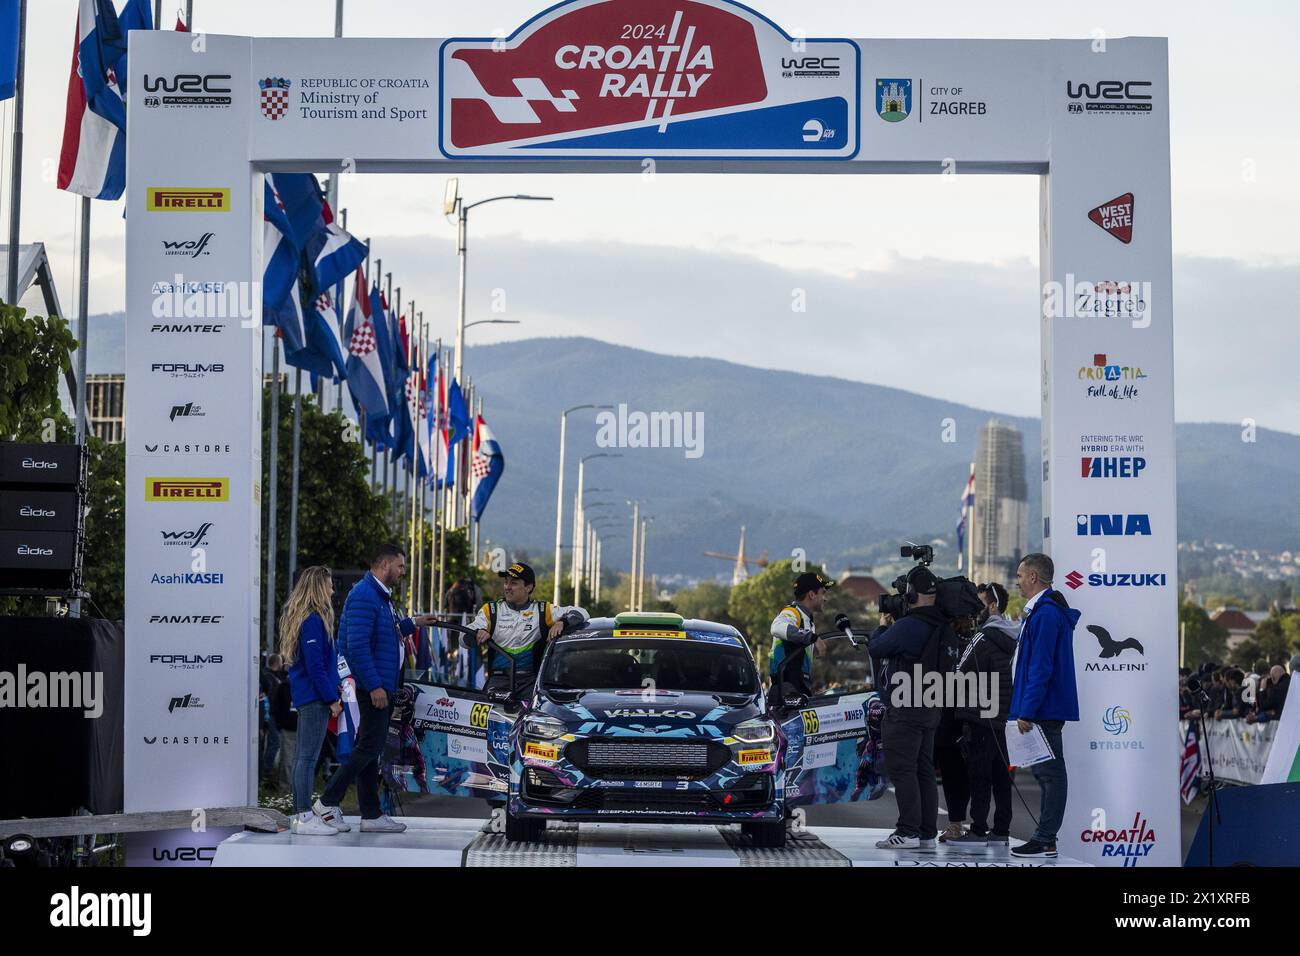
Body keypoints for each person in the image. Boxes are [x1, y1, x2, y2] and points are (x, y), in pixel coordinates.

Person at [311, 545, 437, 834]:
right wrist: (375, 686)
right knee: (369, 746)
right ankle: (328, 801)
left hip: (379, 685)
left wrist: (413, 623)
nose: (403, 571)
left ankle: (370, 813)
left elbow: (385, 633)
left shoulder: (381, 598)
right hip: (373, 688)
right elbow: (356, 647)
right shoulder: (365, 596)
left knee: (370, 748)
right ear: (383, 565)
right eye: (400, 566)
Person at [867, 565, 950, 850]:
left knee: (903, 769)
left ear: (912, 595)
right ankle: (927, 831)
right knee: (924, 769)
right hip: (931, 705)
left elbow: (875, 649)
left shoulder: (909, 626)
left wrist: (882, 625)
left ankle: (908, 831)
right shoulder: (941, 623)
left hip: (905, 708)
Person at [1008, 552, 1080, 859]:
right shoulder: (1039, 613)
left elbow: (1041, 666)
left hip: (1043, 709)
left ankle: (1046, 837)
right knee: (1045, 774)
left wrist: (1028, 710)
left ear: (1034, 577)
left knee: (1051, 775)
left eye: (1021, 575)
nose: (1018, 581)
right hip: (1040, 707)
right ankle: (1045, 837)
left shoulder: (1047, 614)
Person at [949, 583, 1018, 848]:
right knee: (1002, 775)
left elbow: (959, 672)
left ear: (992, 606)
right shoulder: (1015, 635)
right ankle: (1001, 830)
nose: (974, 611)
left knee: (980, 775)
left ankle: (978, 829)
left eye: (979, 604)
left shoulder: (983, 636)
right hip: (1004, 715)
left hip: (980, 716)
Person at [279, 566, 344, 835]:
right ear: (318, 588)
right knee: (306, 758)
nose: (332, 590)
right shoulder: (313, 620)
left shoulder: (310, 618)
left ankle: (302, 814)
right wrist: (331, 698)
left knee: (306, 757)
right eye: (329, 585)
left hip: (312, 696)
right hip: (315, 697)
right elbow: (316, 666)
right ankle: (304, 815)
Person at [469, 562, 588, 694]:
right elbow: (463, 638)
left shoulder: (542, 610)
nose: (507, 587)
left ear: (529, 587)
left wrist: (563, 622)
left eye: (514, 583)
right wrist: (477, 633)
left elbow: (583, 613)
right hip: (498, 679)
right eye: (506, 582)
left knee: (533, 711)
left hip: (530, 681)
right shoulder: (490, 610)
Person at [768, 571, 835, 702]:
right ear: (811, 594)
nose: (825, 598)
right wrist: (813, 638)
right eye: (823, 593)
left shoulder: (808, 620)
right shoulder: (792, 612)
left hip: (798, 687)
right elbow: (776, 627)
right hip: (786, 689)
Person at [260, 653, 285, 785]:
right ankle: (266, 771)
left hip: (269, 714)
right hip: (270, 715)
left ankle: (266, 771)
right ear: (277, 663)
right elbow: (270, 696)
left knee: (271, 743)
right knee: (274, 743)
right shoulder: (269, 677)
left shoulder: (271, 675)